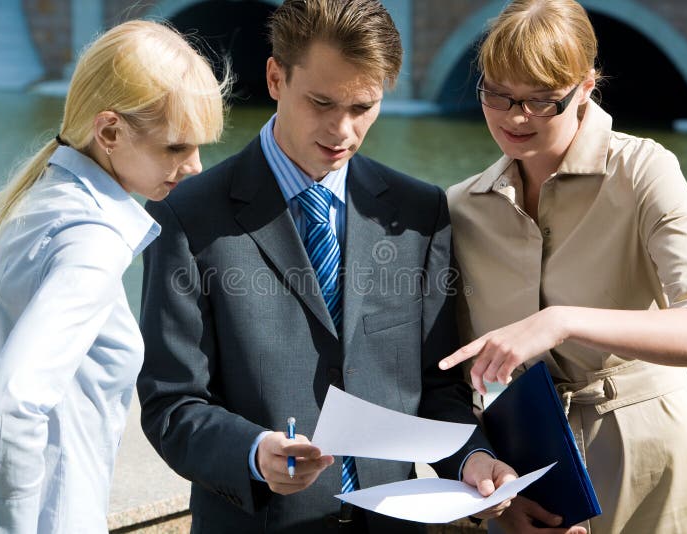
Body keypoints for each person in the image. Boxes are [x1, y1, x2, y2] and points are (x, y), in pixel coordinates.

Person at [136, 0, 516, 532]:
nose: (342, 130)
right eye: (321, 102)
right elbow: (172, 405)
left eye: (363, 107)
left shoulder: (419, 213)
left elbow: (437, 388)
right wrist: (254, 452)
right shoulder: (187, 217)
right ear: (275, 77)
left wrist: (473, 460)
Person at [439, 1, 687, 532]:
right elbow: (449, 381)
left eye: (542, 101)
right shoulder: (460, 208)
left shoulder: (645, 170)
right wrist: (490, 489)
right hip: (532, 467)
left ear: (588, 85)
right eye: (497, 95)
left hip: (659, 460)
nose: (515, 117)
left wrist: (562, 319)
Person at [0, 20, 225, 533]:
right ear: (109, 131)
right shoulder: (93, 241)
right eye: (176, 148)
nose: (196, 166)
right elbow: (11, 404)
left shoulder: (28, 205)